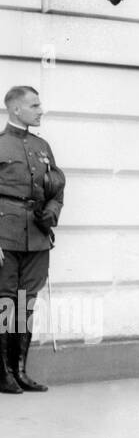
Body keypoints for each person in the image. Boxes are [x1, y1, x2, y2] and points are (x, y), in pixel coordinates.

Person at [0, 87, 65, 393]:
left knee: (27, 303)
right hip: (6, 236)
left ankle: (21, 370)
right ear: (15, 110)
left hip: (37, 236)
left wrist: (52, 212)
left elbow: (57, 186)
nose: (41, 110)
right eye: (35, 105)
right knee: (5, 303)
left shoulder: (42, 146)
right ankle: (3, 373)